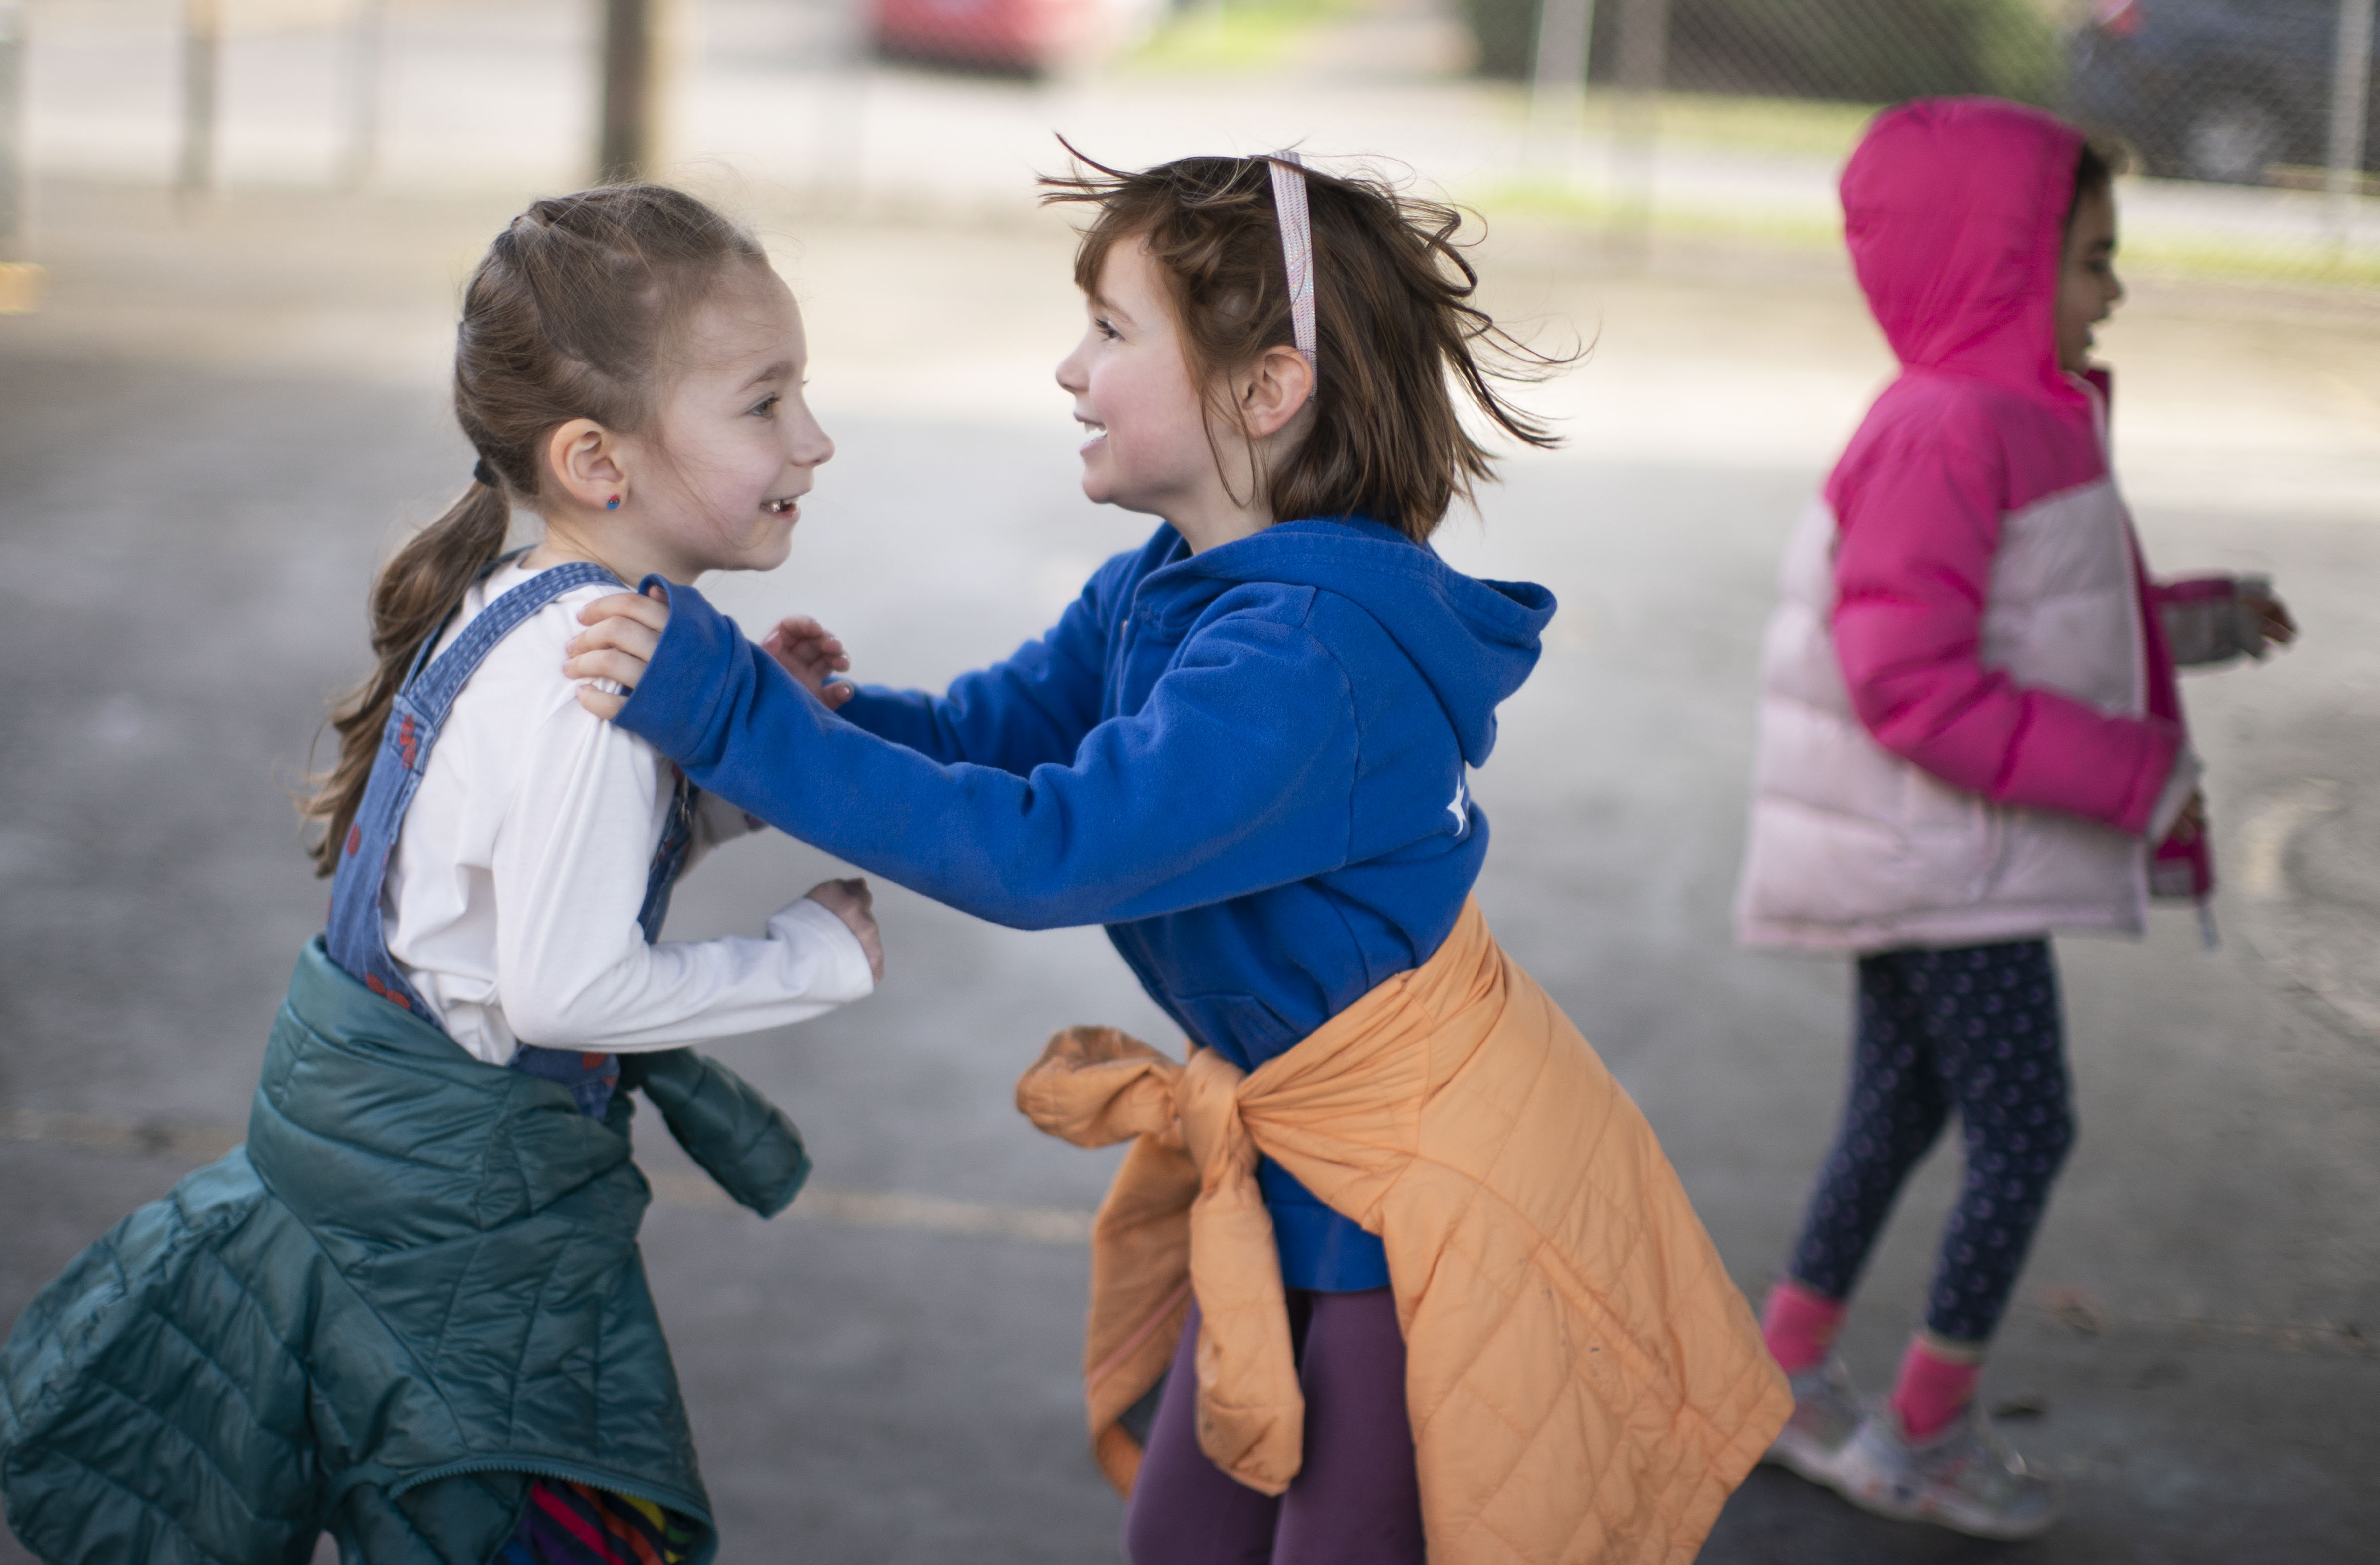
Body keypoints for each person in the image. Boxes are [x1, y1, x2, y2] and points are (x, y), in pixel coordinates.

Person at [564, 150, 1789, 1565]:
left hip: (1419, 1190)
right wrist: (807, 715)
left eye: (1110, 329)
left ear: (1263, 392)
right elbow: (996, 736)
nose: (1068, 369)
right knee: (1186, 1538)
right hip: (1306, 1152)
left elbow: (1045, 850)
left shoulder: (1307, 659)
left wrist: (728, 714)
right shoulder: (1172, 578)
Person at [0, 185, 882, 1565]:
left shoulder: (525, 607)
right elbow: (563, 979)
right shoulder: (591, 682)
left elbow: (520, 889)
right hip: (453, 1255)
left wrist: (723, 788)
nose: (814, 439)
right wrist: (810, 958)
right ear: (598, 459)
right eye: (766, 402)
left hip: (386, 1196)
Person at [1733, 99, 2296, 1541]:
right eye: (2094, 257)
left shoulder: (2006, 419)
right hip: (1938, 857)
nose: (2116, 289)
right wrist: (2133, 772)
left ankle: (1779, 1370)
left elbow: (2052, 631)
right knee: (2024, 1129)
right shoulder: (1950, 428)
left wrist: (2200, 622)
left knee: (1900, 1103)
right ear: (1999, 263)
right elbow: (1909, 685)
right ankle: (1917, 1431)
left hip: (1926, 853)